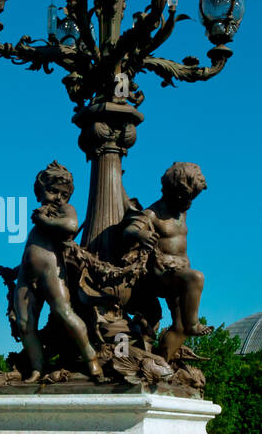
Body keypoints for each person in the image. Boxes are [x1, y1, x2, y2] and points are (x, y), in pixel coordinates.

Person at [12, 162, 102, 382]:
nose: (58, 198)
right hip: (27, 275)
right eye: (52, 191)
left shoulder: (62, 211)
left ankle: (91, 359)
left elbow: (71, 226)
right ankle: (37, 367)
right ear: (39, 191)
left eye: (64, 194)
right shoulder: (43, 217)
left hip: (52, 271)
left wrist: (44, 220)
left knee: (64, 312)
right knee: (24, 323)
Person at [123, 162, 210, 359]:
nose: (188, 204)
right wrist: (142, 236)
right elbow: (129, 231)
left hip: (179, 276)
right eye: (186, 198)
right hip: (161, 273)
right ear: (172, 192)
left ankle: (163, 363)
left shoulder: (182, 210)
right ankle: (193, 323)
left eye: (191, 199)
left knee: (181, 327)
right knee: (196, 277)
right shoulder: (152, 213)